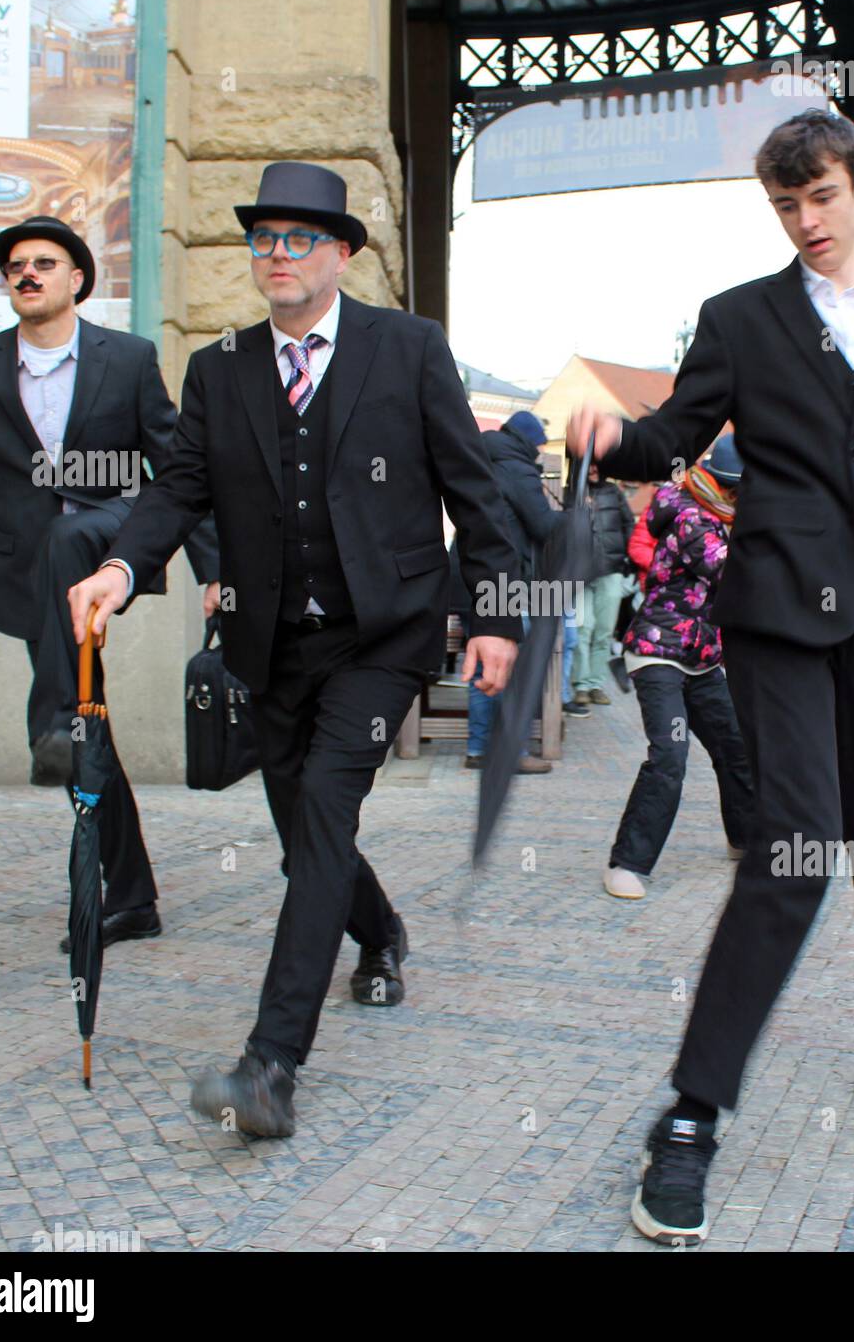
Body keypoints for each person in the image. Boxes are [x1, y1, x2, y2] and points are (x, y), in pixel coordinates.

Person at [567, 109, 854, 1245]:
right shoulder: (740, 318)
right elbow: (671, 438)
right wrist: (605, 438)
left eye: (818, 197)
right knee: (797, 852)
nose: (804, 222)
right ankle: (691, 1115)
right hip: (772, 611)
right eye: (783, 206)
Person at [68, 163, 522, 1136]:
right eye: (264, 239)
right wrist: (119, 573)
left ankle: (271, 1066)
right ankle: (383, 930)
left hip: (382, 634)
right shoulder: (221, 366)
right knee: (305, 833)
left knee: (322, 807)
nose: (277, 254)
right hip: (269, 644)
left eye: (299, 238)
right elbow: (177, 488)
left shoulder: (407, 349)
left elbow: (472, 491)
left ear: (342, 253)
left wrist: (492, 618)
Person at [0, 216, 220, 948]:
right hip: (33, 579)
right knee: (86, 725)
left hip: (110, 546)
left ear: (76, 280)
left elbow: (178, 472)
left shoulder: (125, 359)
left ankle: (50, 724)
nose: (26, 273)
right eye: (14, 267)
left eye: (44, 262)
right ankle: (131, 896)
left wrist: (217, 576)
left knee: (70, 537)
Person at [603, 435, 754, 900]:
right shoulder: (692, 516)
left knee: (735, 747)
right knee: (669, 756)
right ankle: (626, 864)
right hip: (657, 651)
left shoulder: (727, 514)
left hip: (701, 657)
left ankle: (747, 839)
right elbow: (732, 571)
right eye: (737, 490)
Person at [463, 409, 560, 771]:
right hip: (507, 577)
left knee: (482, 667)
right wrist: (575, 520)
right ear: (530, 442)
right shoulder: (517, 466)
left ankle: (477, 748)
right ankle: (509, 754)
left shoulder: (483, 456)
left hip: (475, 576)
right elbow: (543, 525)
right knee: (510, 664)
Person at [569, 464, 633, 706]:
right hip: (581, 573)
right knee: (583, 628)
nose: (593, 468)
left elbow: (629, 525)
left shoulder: (614, 492)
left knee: (604, 631)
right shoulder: (569, 493)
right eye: (588, 463)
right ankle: (582, 685)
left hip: (612, 569)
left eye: (597, 464)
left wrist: (628, 558)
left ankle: (596, 684)